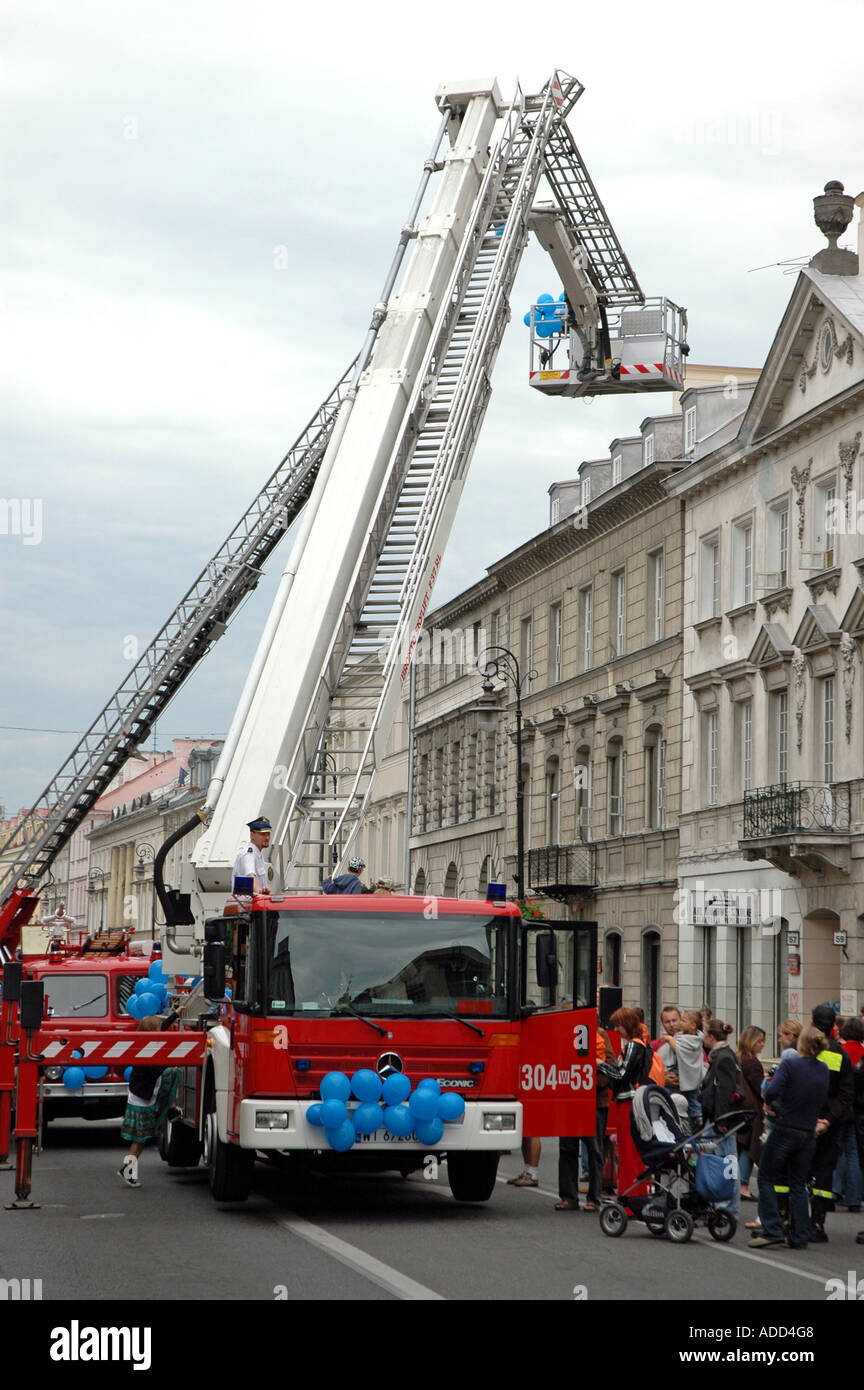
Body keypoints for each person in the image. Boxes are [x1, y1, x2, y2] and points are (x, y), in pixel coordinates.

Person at [749, 1025, 831, 1250]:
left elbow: (773, 1090)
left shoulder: (790, 1064)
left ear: (800, 1044)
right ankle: (800, 1234)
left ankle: (773, 1227)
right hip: (808, 1131)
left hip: (786, 1127)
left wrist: (773, 1102)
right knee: (798, 1184)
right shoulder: (823, 1069)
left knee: (766, 1176)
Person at [808, 1002, 854, 1242]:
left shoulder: (805, 1050)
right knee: (825, 1173)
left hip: (803, 1120)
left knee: (797, 1170)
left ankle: (791, 1220)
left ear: (813, 1023)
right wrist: (828, 1119)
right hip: (828, 1123)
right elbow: (845, 1094)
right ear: (834, 1025)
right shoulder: (839, 1054)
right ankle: (818, 1222)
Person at [556, 1025, 615, 1211]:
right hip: (571, 1099)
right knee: (567, 1148)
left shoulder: (600, 1036)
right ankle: (569, 1197)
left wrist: (593, 1083)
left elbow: (610, 1064)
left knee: (595, 1149)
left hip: (596, 1101)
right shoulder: (566, 1036)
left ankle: (594, 1198)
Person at [117, 1015, 181, 1187]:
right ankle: (127, 1170)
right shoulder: (145, 1050)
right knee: (139, 1139)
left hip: (144, 1096)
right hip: (141, 1099)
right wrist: (175, 1060)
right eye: (158, 1029)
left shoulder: (148, 1043)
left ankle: (128, 1169)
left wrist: (175, 1014)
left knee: (142, 1139)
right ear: (152, 1031)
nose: (161, 1031)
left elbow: (164, 1026)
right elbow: (157, 1070)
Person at [598, 1006, 651, 1209]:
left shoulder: (632, 1046)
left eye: (618, 1025)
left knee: (627, 1153)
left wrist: (600, 1064)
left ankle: (629, 1198)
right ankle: (635, 1195)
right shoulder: (641, 1045)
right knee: (632, 1153)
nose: (616, 1029)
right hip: (633, 1101)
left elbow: (621, 1075)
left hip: (627, 1103)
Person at [699, 1019, 741, 1220]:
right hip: (716, 1118)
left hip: (719, 1121)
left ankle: (726, 1208)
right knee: (724, 1161)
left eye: (705, 1034)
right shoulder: (722, 1055)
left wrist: (721, 1119)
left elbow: (725, 1090)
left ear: (711, 1037)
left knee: (725, 1163)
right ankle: (721, 1206)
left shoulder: (723, 1058)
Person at [736, 1026, 766, 1202]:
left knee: (742, 1147)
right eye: (759, 1041)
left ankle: (739, 1183)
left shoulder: (738, 1058)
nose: (762, 1045)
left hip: (739, 1109)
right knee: (750, 1147)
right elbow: (760, 1089)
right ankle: (743, 1185)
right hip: (752, 1110)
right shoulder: (752, 1063)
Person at [232, 816, 272, 898]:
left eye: (268, 834)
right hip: (246, 906)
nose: (267, 838)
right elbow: (251, 876)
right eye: (263, 834)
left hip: (250, 904)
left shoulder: (258, 854)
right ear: (252, 835)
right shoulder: (249, 854)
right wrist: (261, 894)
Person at [651, 1005, 683, 1091]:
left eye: (674, 1020)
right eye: (667, 1022)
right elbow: (647, 1071)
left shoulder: (691, 1043)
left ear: (680, 1020)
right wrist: (663, 1079)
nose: (671, 1024)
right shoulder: (654, 1045)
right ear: (662, 1024)